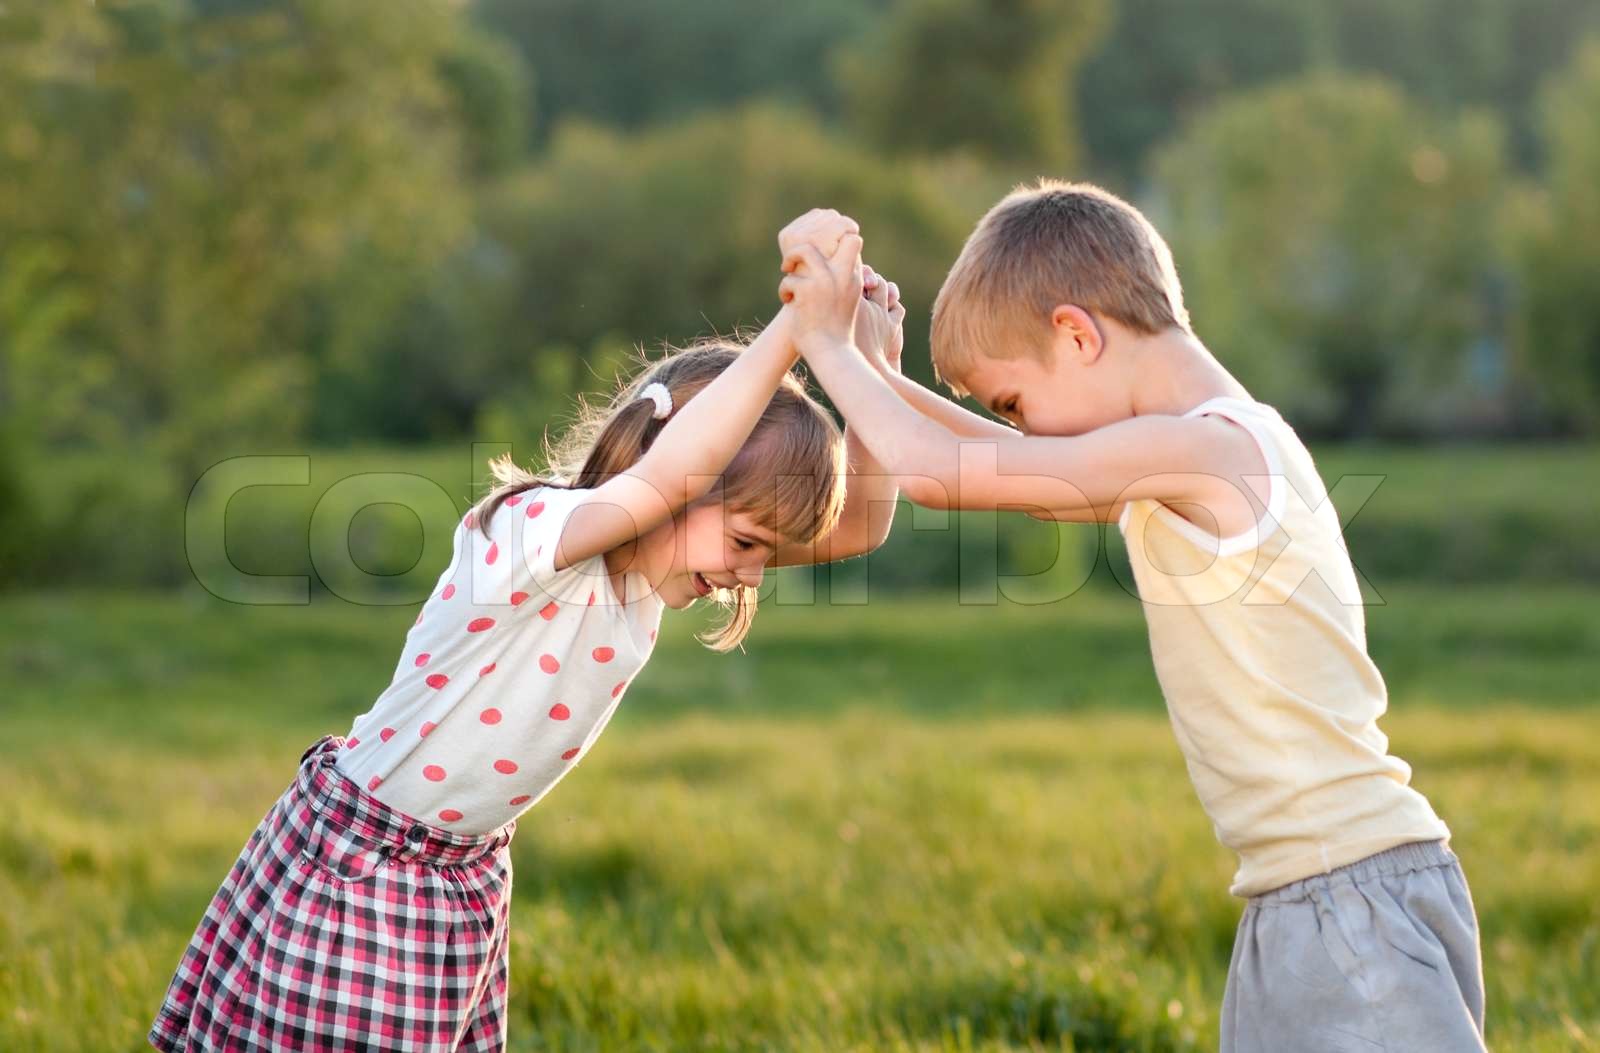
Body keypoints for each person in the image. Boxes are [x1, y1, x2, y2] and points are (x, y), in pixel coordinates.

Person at [149, 211, 900, 1051]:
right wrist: (795, 330)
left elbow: (862, 526)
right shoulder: (532, 536)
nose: (752, 575)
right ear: (682, 477)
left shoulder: (649, 573)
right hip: (364, 872)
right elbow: (660, 479)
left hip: (460, 881)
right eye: (747, 544)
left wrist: (870, 365)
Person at [778, 186, 1487, 1052]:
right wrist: (876, 377)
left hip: (1348, 897)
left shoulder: (1214, 451)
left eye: (1011, 399)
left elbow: (938, 472)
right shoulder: (1192, 450)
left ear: (1078, 335)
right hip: (1296, 892)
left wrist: (823, 343)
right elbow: (1006, 465)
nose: (1020, 428)